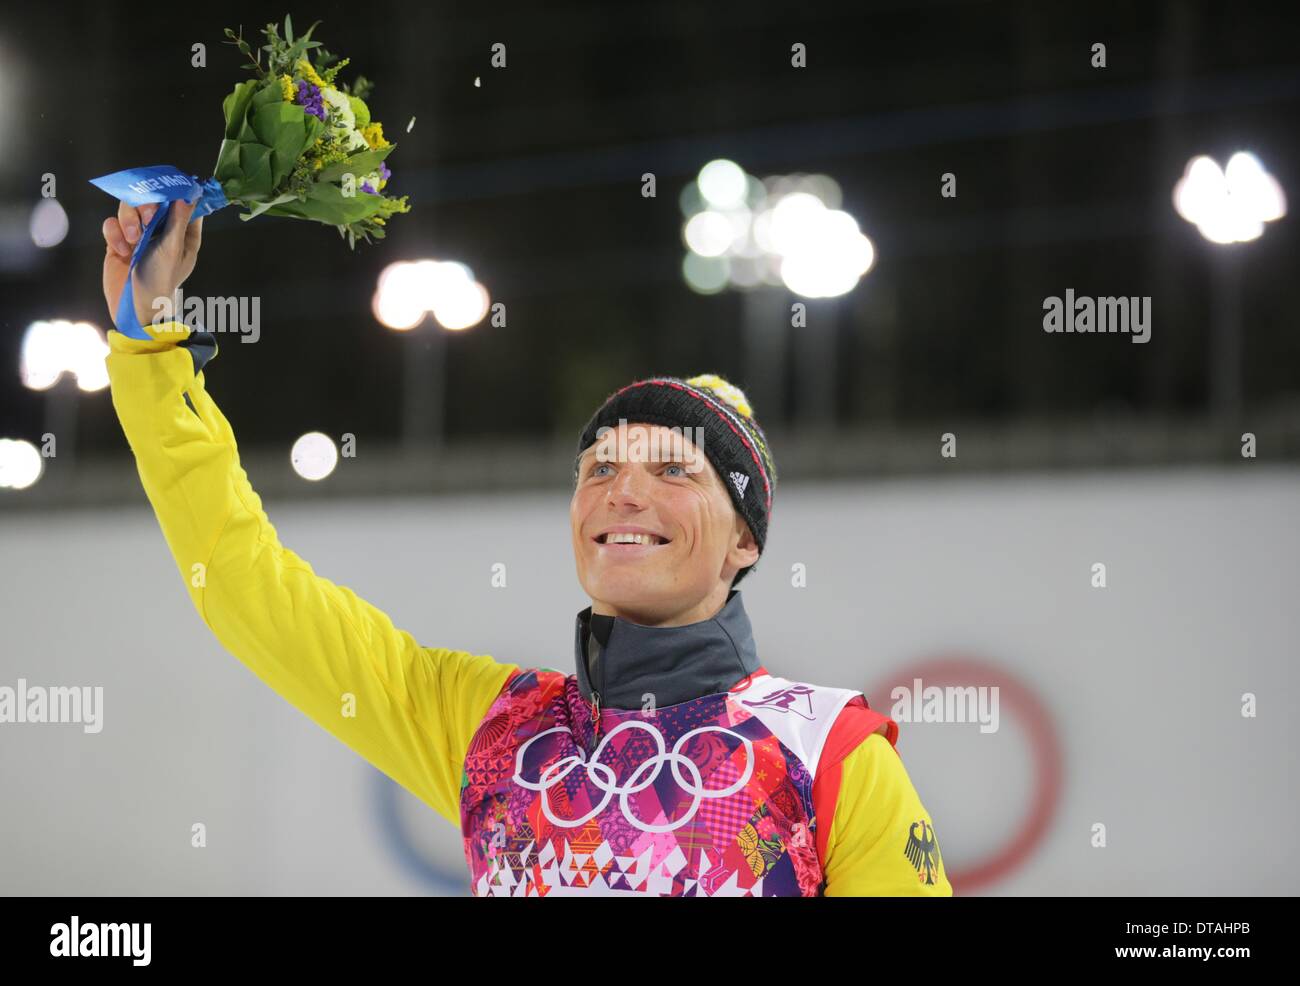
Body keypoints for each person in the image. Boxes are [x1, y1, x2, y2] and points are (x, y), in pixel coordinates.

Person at [100, 198, 952, 897]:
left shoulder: (831, 754)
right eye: (601, 466)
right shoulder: (494, 728)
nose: (624, 490)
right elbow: (249, 592)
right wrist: (149, 344)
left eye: (673, 472)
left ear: (745, 543)